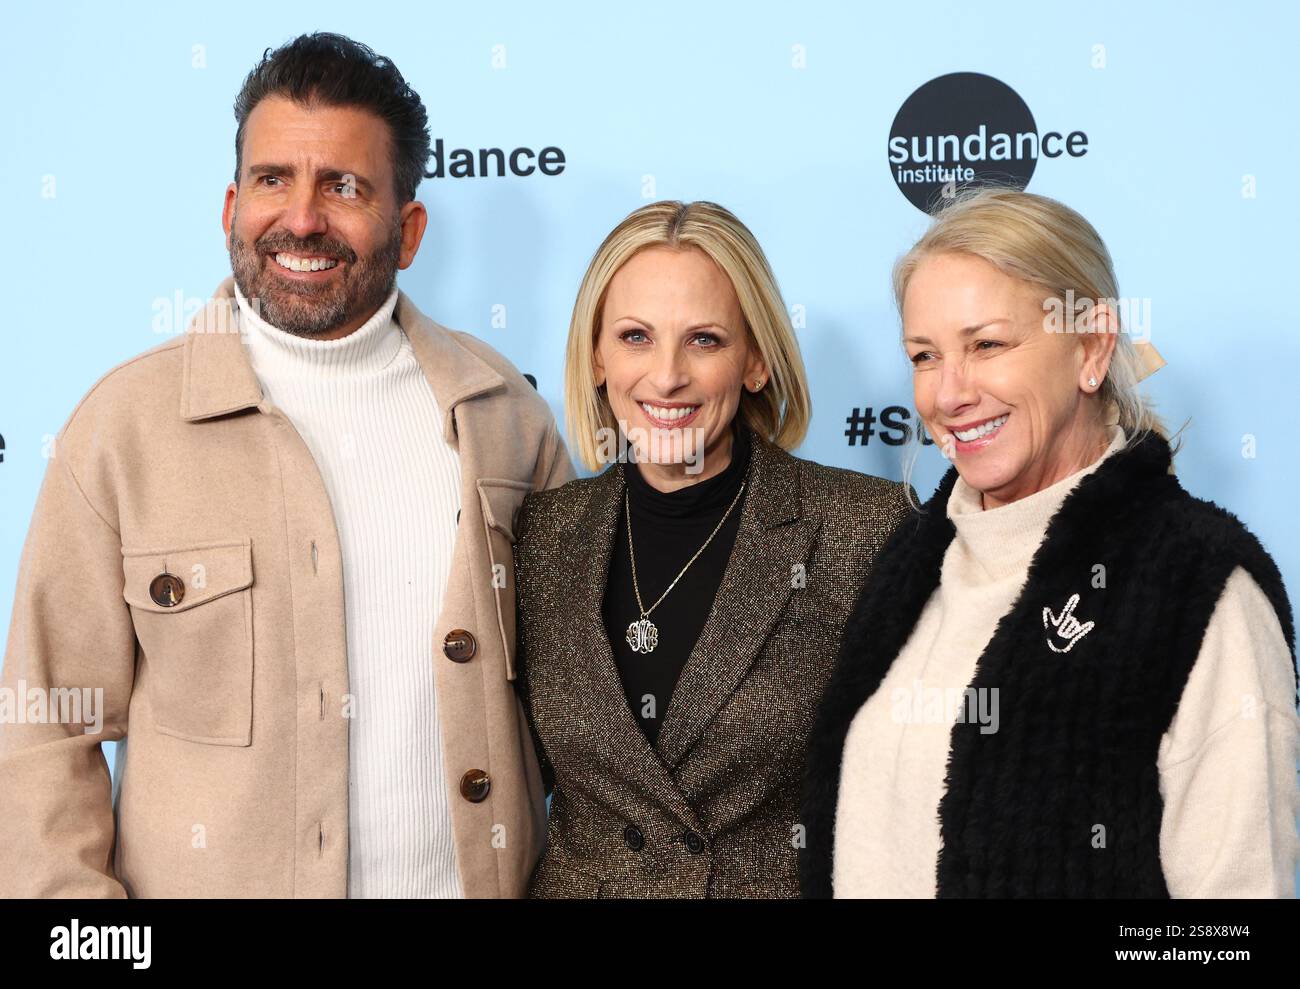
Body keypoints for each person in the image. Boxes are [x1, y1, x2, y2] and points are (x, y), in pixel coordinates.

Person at [0, 32, 574, 898]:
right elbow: (44, 732)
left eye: (343, 186)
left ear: (408, 230)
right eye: (274, 179)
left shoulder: (505, 421)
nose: (302, 218)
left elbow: (586, 717)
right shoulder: (121, 431)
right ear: (231, 203)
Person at [801, 188, 1300, 898]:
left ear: (1091, 347)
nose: (949, 393)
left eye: (987, 345)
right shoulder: (908, 564)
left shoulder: (1197, 581)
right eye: (924, 355)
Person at [512, 200, 910, 897]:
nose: (666, 376)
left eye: (704, 340)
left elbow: (920, 788)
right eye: (635, 336)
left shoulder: (865, 527)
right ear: (597, 357)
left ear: (756, 360)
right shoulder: (542, 534)